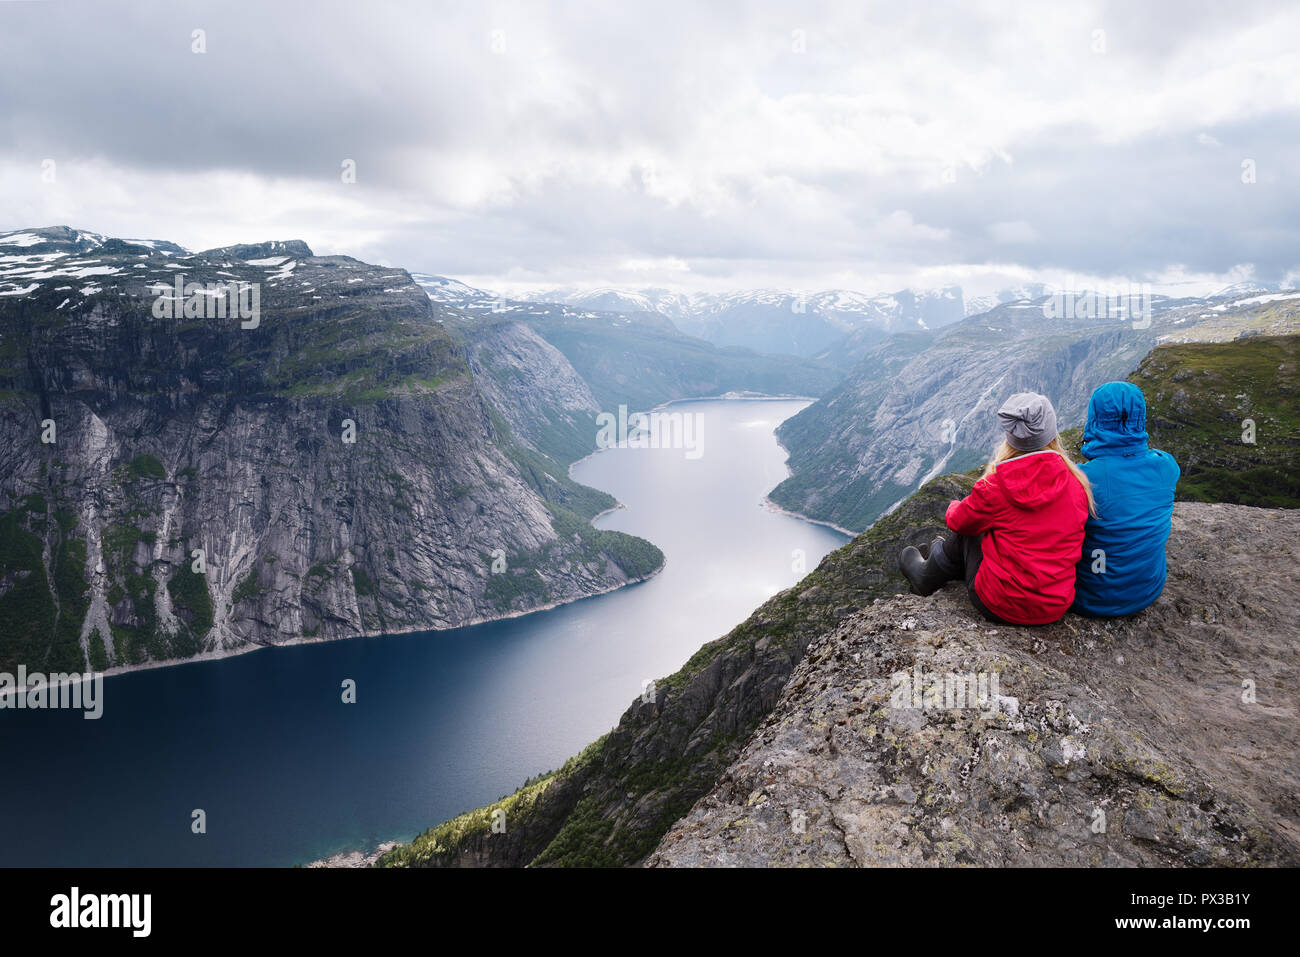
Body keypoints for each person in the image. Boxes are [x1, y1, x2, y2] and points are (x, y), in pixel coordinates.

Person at [899, 392, 1094, 625]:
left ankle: (926, 575)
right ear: (1051, 433)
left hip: (1000, 605)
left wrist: (956, 505)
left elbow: (957, 521)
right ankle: (937, 558)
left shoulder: (996, 486)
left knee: (971, 530)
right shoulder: (1076, 483)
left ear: (1010, 435)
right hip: (1056, 606)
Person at [1071, 381, 1180, 617]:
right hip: (1148, 590)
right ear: (1140, 416)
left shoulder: (1083, 478)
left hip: (1091, 598)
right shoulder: (1168, 466)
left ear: (1094, 418)